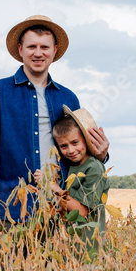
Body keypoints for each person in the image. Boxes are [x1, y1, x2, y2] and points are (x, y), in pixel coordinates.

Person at [0, 15, 109, 242]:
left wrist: (101, 154)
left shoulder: (68, 98)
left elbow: (78, 153)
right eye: (32, 47)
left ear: (54, 51)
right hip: (9, 211)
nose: (38, 53)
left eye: (44, 47)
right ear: (20, 50)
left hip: (58, 213)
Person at [34, 107, 110, 261]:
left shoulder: (93, 168)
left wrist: (51, 187)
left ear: (86, 139)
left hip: (90, 246)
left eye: (75, 142)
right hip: (72, 243)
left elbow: (81, 212)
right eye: (63, 146)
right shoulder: (71, 167)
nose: (71, 150)